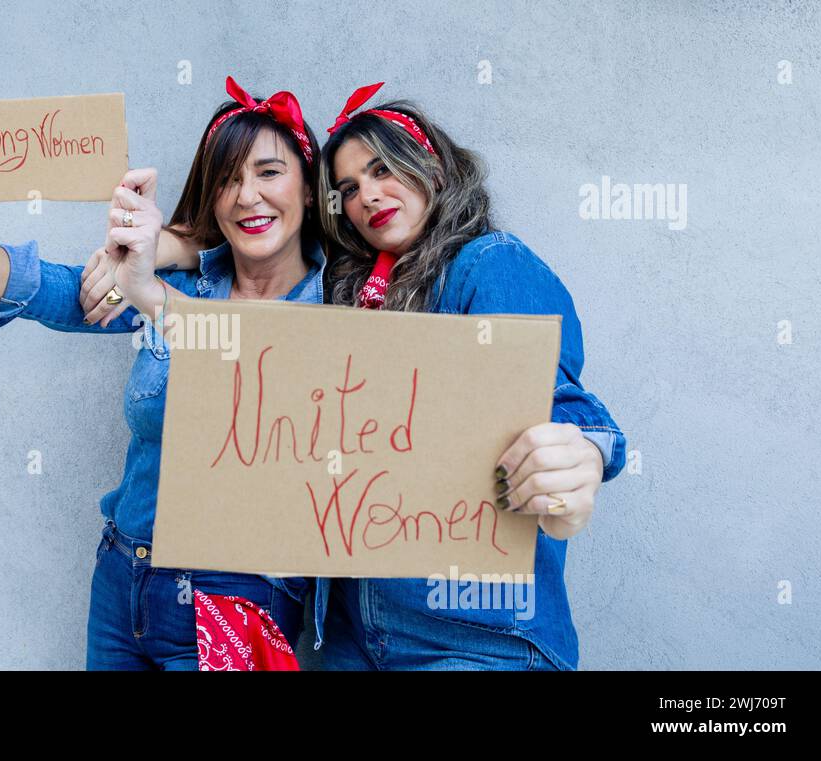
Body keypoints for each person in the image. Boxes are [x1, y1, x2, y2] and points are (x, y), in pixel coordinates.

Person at [81, 83, 626, 670]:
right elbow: (259, 255)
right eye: (347, 188)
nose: (367, 194)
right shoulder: (350, 292)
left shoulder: (487, 263)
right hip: (355, 638)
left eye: (383, 170)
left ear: (433, 171)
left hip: (475, 641)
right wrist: (170, 248)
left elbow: (560, 403)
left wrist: (582, 455)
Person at [0, 77, 326, 670]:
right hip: (123, 580)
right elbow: (46, 290)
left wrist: (151, 283)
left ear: (310, 192)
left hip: (238, 601)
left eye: (268, 172)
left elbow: (259, 371)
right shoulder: (179, 282)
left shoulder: (341, 307)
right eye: (228, 179)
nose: (247, 196)